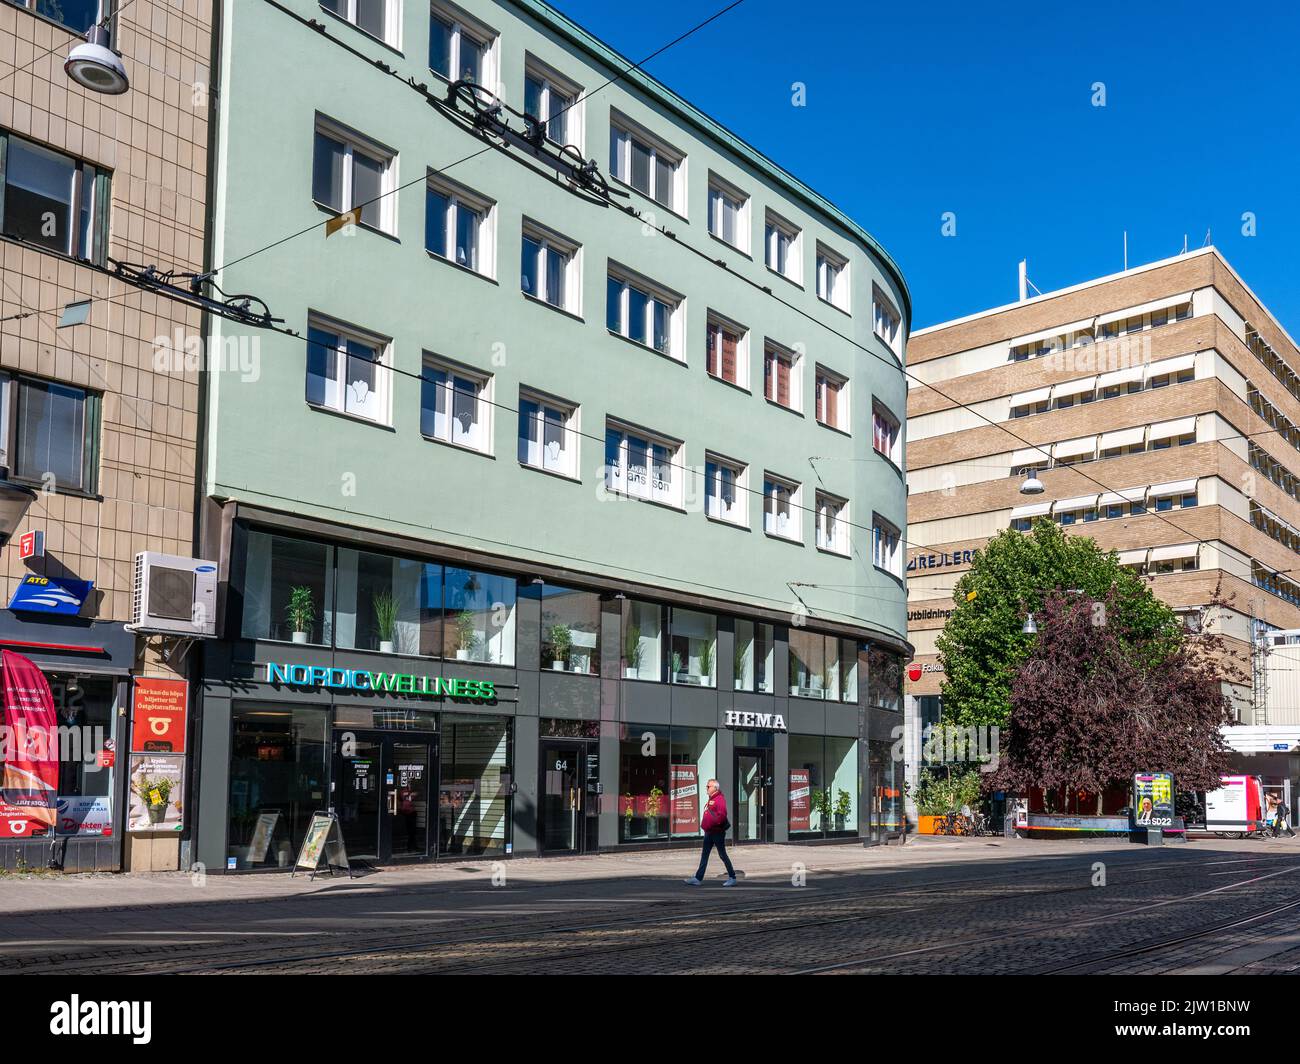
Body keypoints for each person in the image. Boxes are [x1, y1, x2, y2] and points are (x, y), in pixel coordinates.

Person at [684, 778, 737, 886]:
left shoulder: (719, 799)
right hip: (709, 832)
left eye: (708, 786)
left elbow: (722, 816)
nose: (706, 788)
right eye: (707, 786)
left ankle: (732, 877)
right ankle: (698, 878)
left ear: (715, 788)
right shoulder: (712, 798)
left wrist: (713, 824)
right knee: (704, 855)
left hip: (717, 832)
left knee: (722, 855)